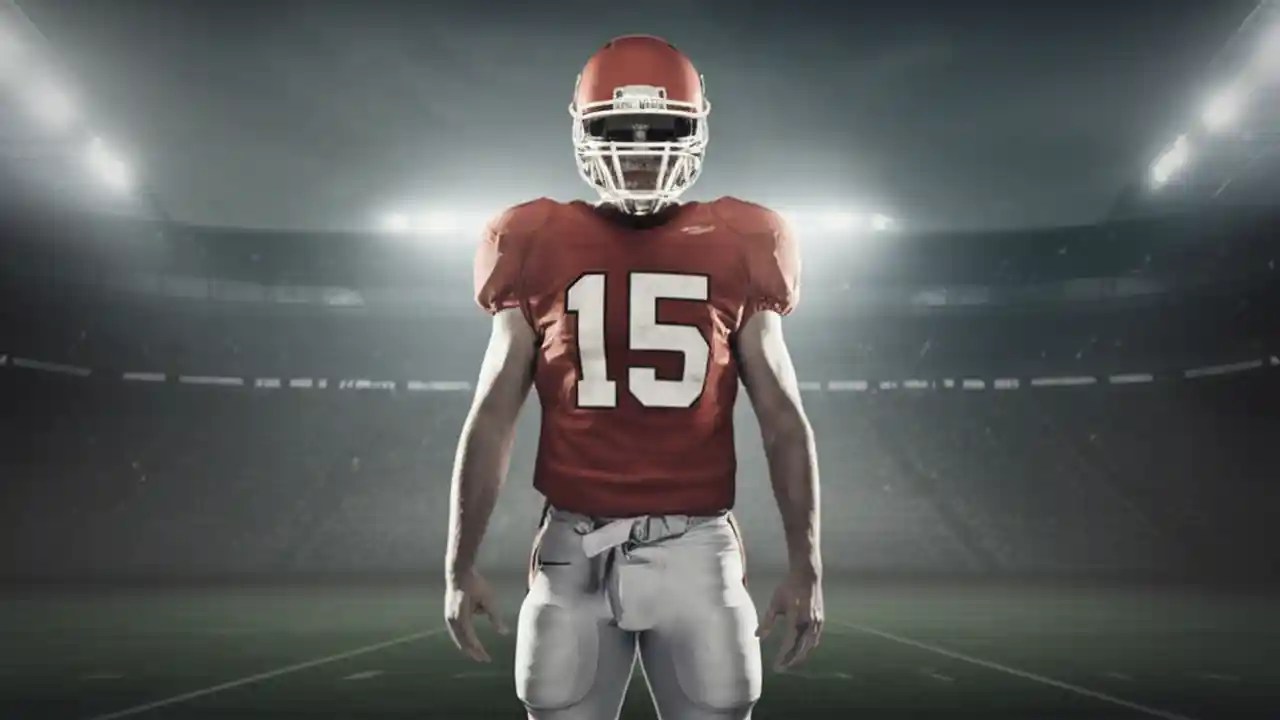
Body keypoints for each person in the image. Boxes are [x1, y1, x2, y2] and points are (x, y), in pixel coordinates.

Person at [443, 34, 823, 720]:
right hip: (574, 549)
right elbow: (494, 414)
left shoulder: (743, 240)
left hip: (697, 546)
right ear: (584, 133)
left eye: (664, 129)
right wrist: (458, 560)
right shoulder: (531, 239)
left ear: (696, 131)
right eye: (620, 130)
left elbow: (784, 421)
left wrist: (808, 566)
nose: (642, 149)